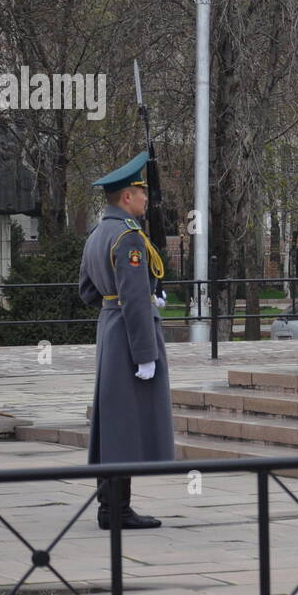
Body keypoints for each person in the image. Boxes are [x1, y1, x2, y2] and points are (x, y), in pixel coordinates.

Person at [78, 151, 173, 528]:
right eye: (141, 192)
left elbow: (87, 291)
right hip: (130, 335)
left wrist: (119, 299)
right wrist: (145, 354)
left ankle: (111, 507)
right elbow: (133, 300)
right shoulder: (128, 236)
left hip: (110, 329)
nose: (146, 198)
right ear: (127, 197)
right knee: (125, 423)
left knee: (113, 421)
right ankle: (116, 511)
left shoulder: (98, 233)